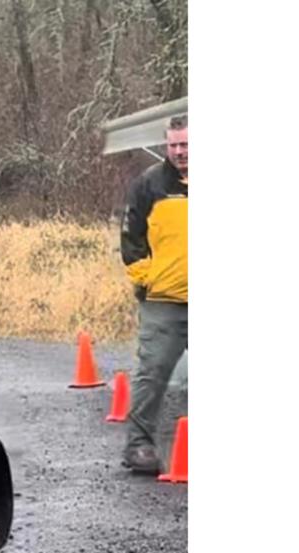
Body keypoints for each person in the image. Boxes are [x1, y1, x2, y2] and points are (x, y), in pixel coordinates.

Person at [118, 115, 188, 474]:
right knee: (152, 373)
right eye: (174, 144)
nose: (181, 151)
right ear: (166, 146)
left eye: (187, 144)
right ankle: (140, 446)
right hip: (164, 301)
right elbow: (130, 242)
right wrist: (148, 280)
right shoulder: (149, 185)